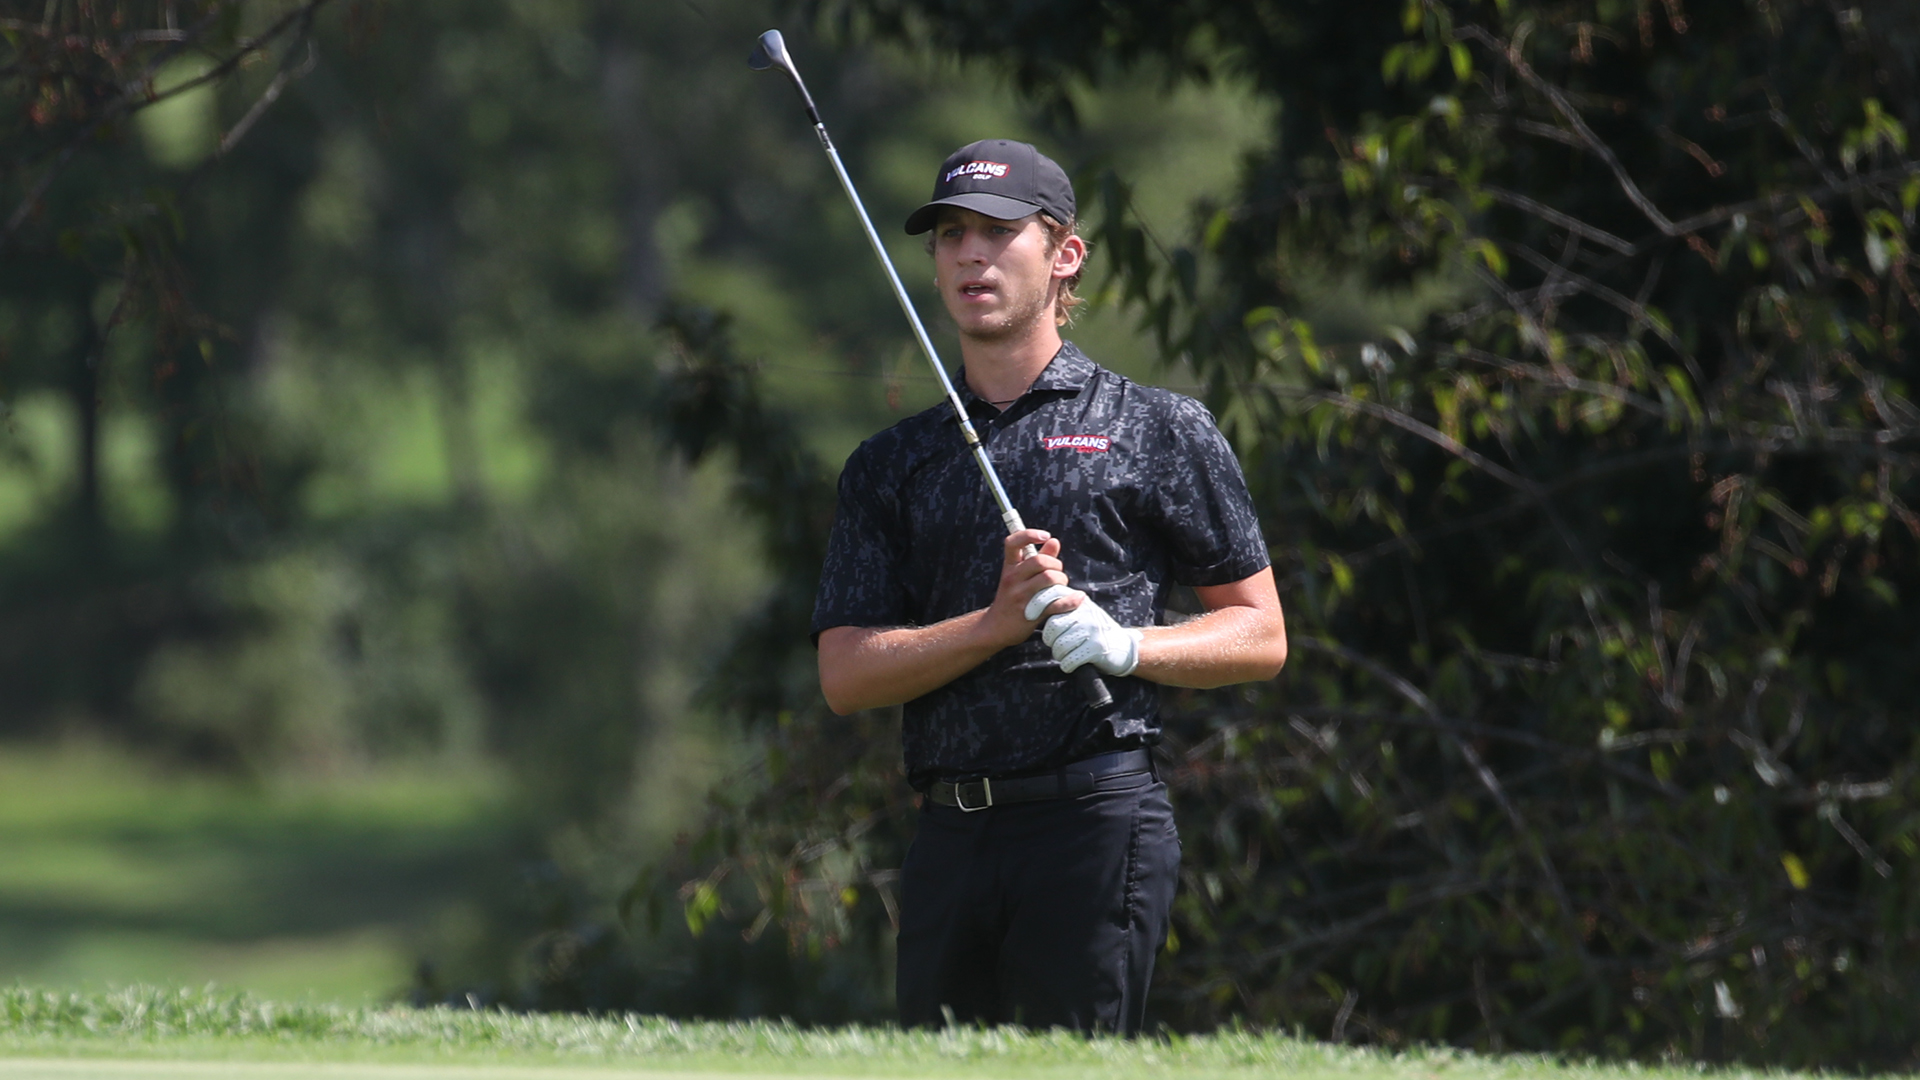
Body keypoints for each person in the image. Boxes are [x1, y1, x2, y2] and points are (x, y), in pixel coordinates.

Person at [810, 138, 1287, 1034]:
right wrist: (991, 627)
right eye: (950, 235)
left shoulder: (1157, 427)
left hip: (1095, 823)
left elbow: (1260, 635)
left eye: (996, 231)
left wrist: (1127, 645)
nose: (970, 255)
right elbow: (846, 675)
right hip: (949, 835)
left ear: (1063, 252)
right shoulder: (891, 464)